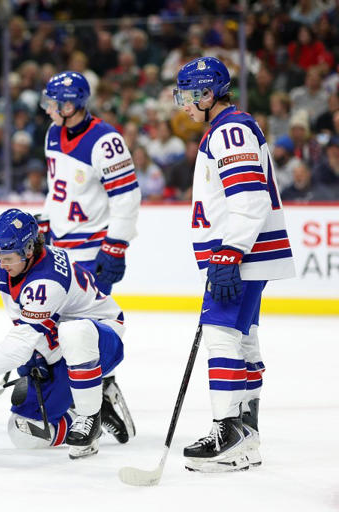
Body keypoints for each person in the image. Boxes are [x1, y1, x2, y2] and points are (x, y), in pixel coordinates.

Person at [173, 56, 295, 473]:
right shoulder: (230, 128)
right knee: (243, 341)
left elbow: (250, 199)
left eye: (189, 95)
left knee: (221, 336)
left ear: (209, 94)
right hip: (245, 254)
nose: (183, 104)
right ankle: (246, 437)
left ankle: (227, 432)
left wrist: (230, 252)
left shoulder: (229, 131)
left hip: (240, 255)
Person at [0, 209, 135, 460]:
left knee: (73, 331)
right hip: (59, 343)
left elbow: (22, 341)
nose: (2, 263)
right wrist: (36, 355)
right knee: (23, 433)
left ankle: (90, 413)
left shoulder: (46, 281)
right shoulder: (12, 266)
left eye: (7, 256)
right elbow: (23, 328)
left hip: (103, 337)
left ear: (29, 249)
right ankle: (83, 410)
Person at [37, 71, 141, 296]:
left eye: (51, 103)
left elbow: (126, 197)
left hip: (91, 254)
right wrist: (45, 220)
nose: (46, 109)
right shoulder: (53, 133)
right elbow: (55, 187)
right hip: (57, 254)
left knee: (86, 328)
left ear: (68, 107)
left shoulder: (106, 141)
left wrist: (116, 245)